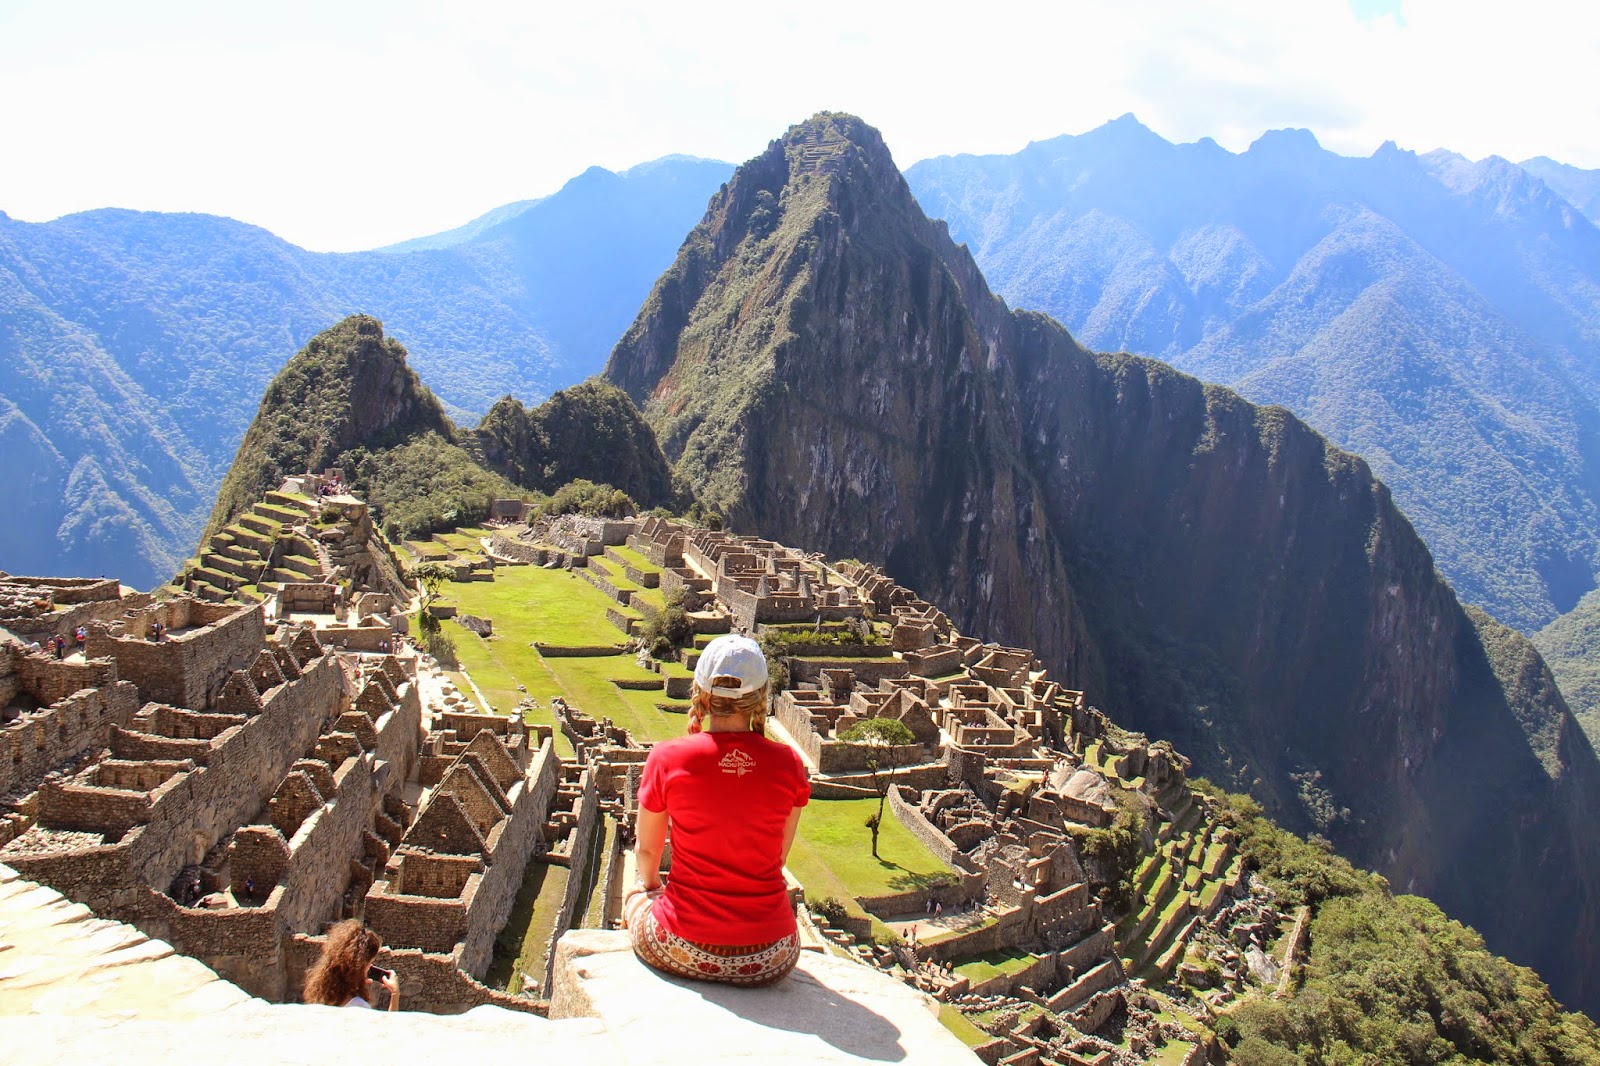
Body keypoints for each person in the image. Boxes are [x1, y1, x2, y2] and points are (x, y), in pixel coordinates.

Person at [624, 634, 809, 987]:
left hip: (678, 944)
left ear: (702, 693)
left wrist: (650, 890)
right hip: (773, 953)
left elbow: (647, 851)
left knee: (636, 896)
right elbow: (778, 858)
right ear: (760, 697)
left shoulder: (667, 758)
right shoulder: (788, 764)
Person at [303, 920, 400, 1010]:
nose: (370, 967)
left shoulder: (323, 996)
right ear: (359, 967)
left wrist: (357, 984)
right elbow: (387, 1027)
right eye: (369, 963)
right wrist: (395, 993)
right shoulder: (359, 1007)